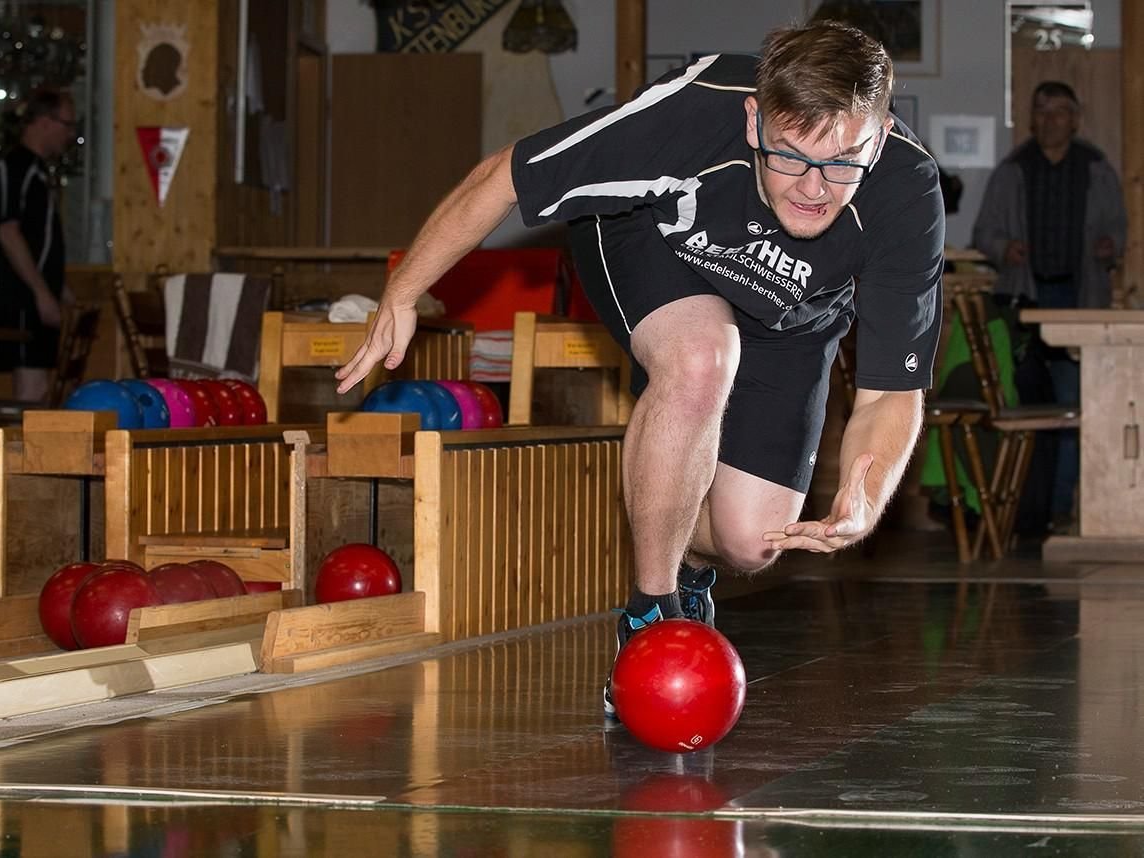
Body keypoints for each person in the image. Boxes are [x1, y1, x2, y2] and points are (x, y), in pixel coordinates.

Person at [335, 22, 943, 717]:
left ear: (881, 134)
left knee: (750, 542)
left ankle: (689, 564)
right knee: (700, 357)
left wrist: (866, 502)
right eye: (790, 157)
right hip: (652, 241)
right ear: (754, 120)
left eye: (842, 163)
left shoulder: (905, 192)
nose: (813, 188)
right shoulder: (691, 116)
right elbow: (504, 175)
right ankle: (651, 611)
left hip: (789, 312)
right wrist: (404, 291)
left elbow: (891, 393)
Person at [972, 81, 1127, 530]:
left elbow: (1119, 231)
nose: (1049, 120)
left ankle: (1061, 507)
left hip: (1081, 302)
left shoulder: (1096, 168)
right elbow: (984, 233)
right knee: (1028, 405)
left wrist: (1107, 246)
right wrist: (1005, 249)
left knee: (1075, 405)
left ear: (1075, 119)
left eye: (1059, 112)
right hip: (1026, 302)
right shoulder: (1012, 169)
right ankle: (1028, 511)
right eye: (1041, 111)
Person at [0, 87, 78, 402]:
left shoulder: (38, 170)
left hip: (37, 295)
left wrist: (59, 287)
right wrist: (41, 293)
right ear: (44, 122)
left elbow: (40, 239)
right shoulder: (15, 167)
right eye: (67, 124)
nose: (70, 135)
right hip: (22, 297)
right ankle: (26, 452)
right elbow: (8, 233)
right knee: (31, 387)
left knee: (40, 387)